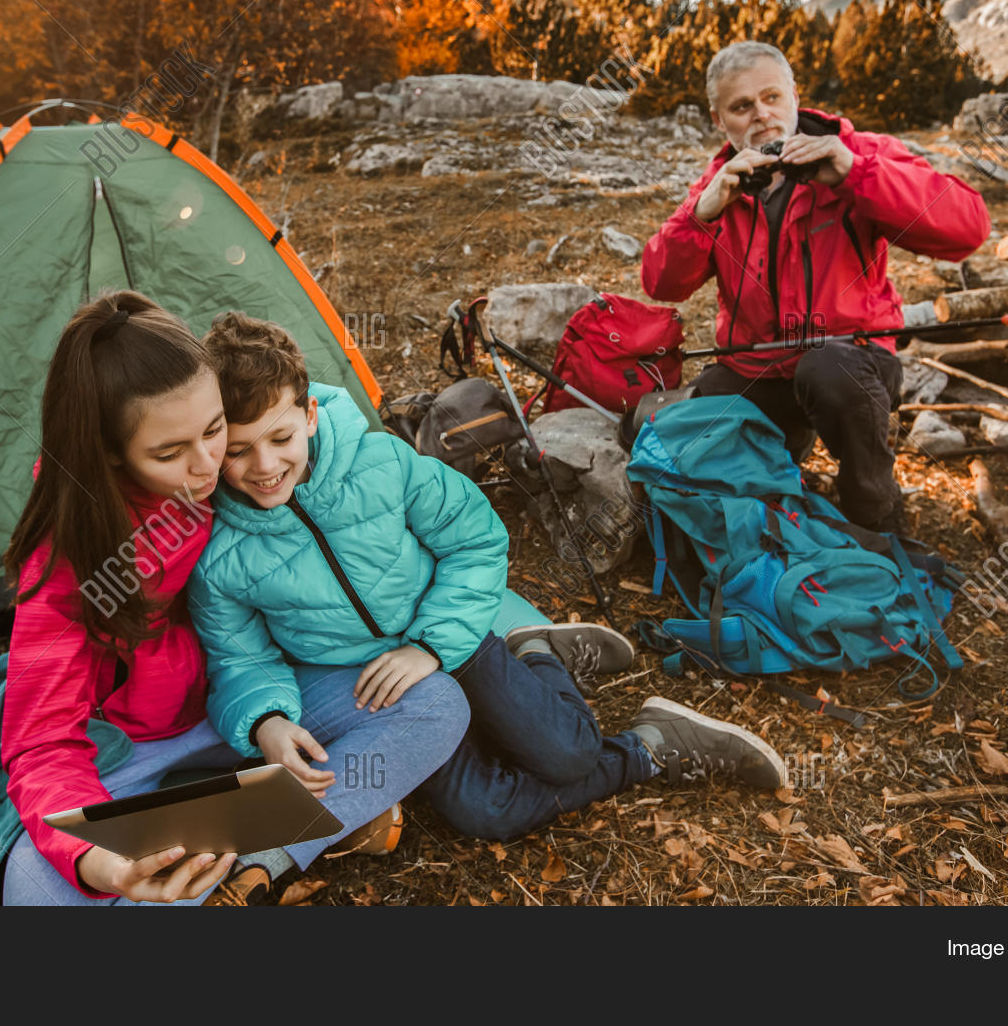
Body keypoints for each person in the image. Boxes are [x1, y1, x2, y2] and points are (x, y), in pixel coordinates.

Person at [189, 312, 786, 844]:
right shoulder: (218, 552)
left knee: (570, 752)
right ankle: (649, 748)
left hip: (453, 637)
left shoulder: (383, 465)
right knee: (484, 812)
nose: (264, 467)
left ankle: (537, 651)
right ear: (213, 444)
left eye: (280, 438)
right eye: (238, 451)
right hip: (372, 688)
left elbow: (475, 540)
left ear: (311, 413)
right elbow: (238, 658)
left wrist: (429, 644)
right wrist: (265, 721)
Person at [0, 291, 470, 905]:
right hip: (135, 738)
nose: (208, 467)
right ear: (109, 452)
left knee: (432, 707)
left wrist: (270, 718)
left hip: (259, 689)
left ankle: (260, 862)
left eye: (215, 430)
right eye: (169, 453)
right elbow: (40, 742)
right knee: (36, 892)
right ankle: (233, 849)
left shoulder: (249, 468)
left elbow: (302, 428)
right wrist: (104, 865)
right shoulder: (72, 555)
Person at [642, 41, 990, 533]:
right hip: (755, 367)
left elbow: (969, 228)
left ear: (794, 95)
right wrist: (703, 211)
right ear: (720, 120)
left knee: (827, 369)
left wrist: (855, 173)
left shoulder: (862, 154)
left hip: (851, 361)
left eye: (771, 97)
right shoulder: (720, 182)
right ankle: (783, 459)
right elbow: (661, 283)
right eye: (742, 107)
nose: (761, 115)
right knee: (684, 436)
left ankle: (875, 516)